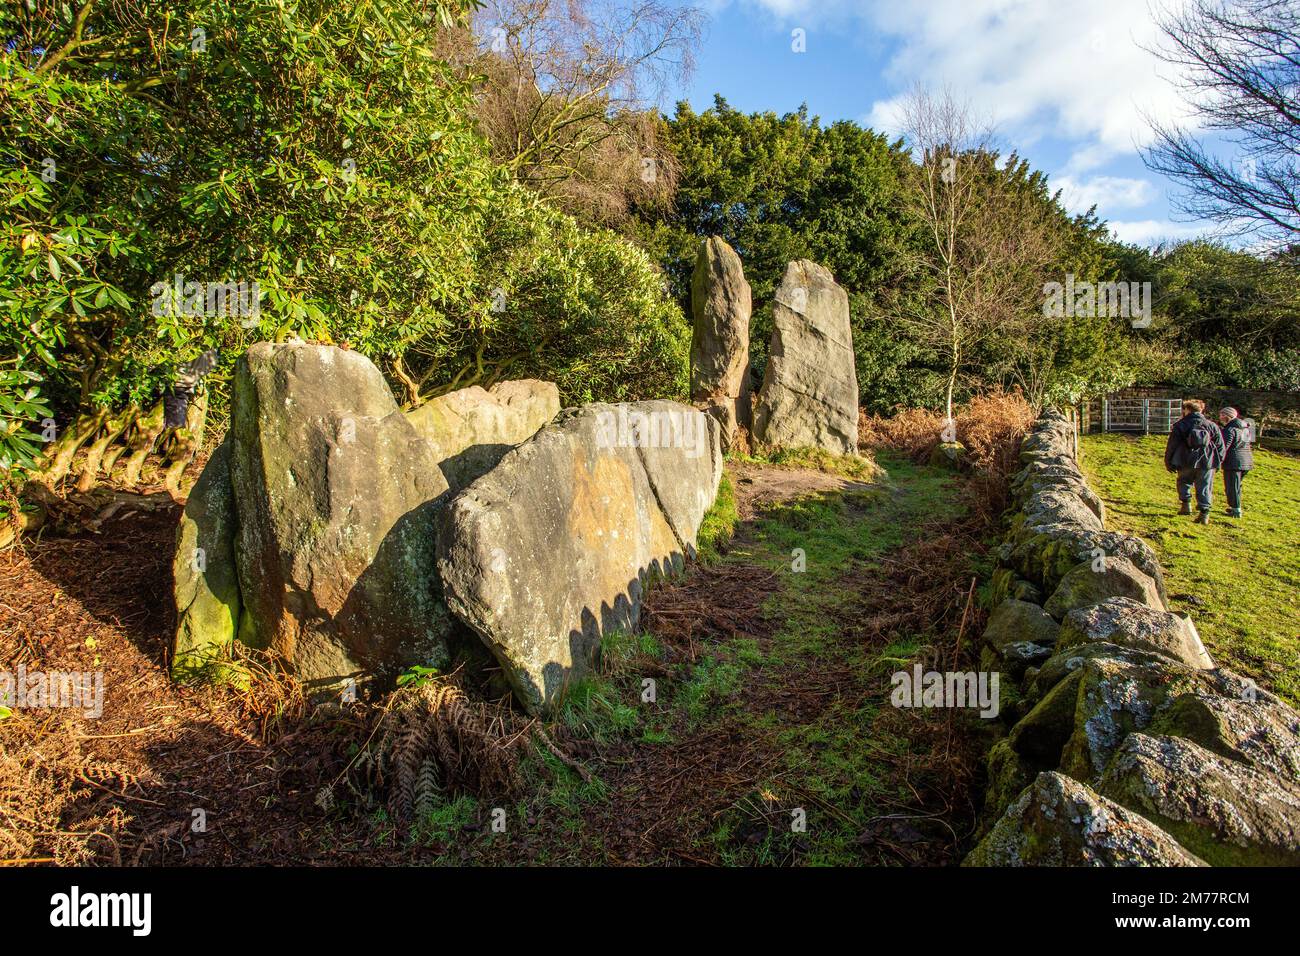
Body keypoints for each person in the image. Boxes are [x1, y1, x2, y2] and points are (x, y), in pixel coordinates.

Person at [1164, 398, 1226, 524]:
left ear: (1187, 410)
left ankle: (1186, 505)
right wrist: (1218, 461)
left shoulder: (1181, 425)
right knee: (1204, 486)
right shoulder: (1212, 425)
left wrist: (1168, 460)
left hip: (1185, 459)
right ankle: (1204, 514)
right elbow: (1220, 446)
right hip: (1207, 461)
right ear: (1201, 410)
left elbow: (1172, 445)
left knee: (1184, 482)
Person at [1218, 407, 1254, 519]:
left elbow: (1224, 447)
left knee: (1232, 487)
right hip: (1246, 461)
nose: (1220, 417)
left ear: (1226, 416)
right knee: (1236, 486)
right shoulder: (1245, 428)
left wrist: (1217, 460)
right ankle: (1235, 507)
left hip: (1234, 462)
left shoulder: (1230, 429)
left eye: (1221, 415)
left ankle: (1236, 510)